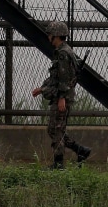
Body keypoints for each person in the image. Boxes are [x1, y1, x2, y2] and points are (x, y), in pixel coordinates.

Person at [32, 20, 91, 169]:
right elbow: (56, 77)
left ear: (56, 35)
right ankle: (80, 150)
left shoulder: (63, 53)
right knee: (55, 129)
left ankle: (58, 164)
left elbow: (64, 78)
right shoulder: (63, 51)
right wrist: (42, 89)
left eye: (50, 34)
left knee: (56, 130)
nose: (48, 37)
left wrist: (62, 98)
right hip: (60, 96)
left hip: (62, 97)